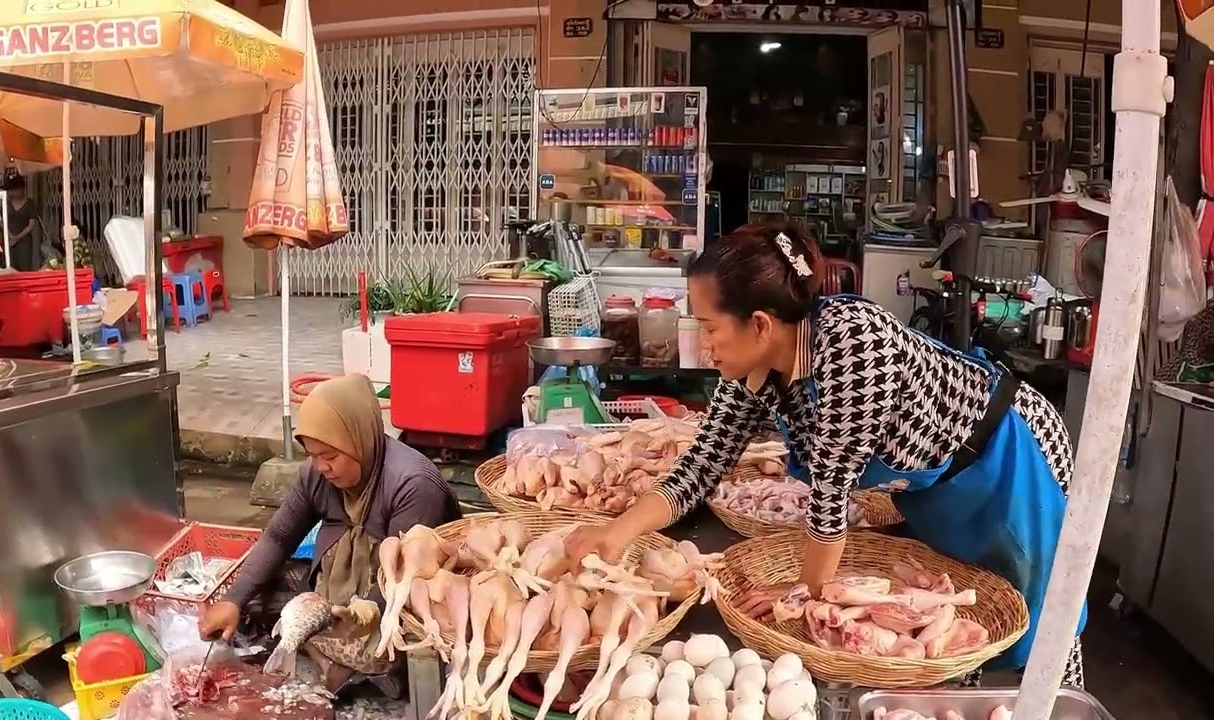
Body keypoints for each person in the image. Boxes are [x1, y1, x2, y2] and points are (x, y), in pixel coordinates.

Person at [564, 222, 1086, 687]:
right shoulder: (756, 373)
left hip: (1010, 453)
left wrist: (805, 589)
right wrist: (616, 532)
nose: (705, 345)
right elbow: (700, 468)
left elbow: (831, 491)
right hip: (941, 488)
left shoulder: (852, 344)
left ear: (761, 325)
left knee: (1044, 613)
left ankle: (1060, 703)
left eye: (710, 327)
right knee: (956, 621)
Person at [198, 375, 461, 693]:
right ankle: (334, 666)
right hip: (335, 596)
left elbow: (405, 577)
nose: (321, 467)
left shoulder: (413, 484)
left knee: (407, 638)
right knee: (256, 598)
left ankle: (370, 671)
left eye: (331, 456)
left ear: (359, 441)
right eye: (313, 455)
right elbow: (279, 538)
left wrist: (359, 616)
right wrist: (233, 601)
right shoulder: (315, 474)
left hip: (393, 600)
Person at [2, 174, 40, 272]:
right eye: (10, 190)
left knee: (24, 268)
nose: (11, 193)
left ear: (21, 189)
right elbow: (2, 221)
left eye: (14, 190)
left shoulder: (30, 204)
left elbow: (31, 224)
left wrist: (18, 237)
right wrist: (10, 236)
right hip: (9, 241)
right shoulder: (6, 203)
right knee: (10, 267)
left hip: (25, 241)